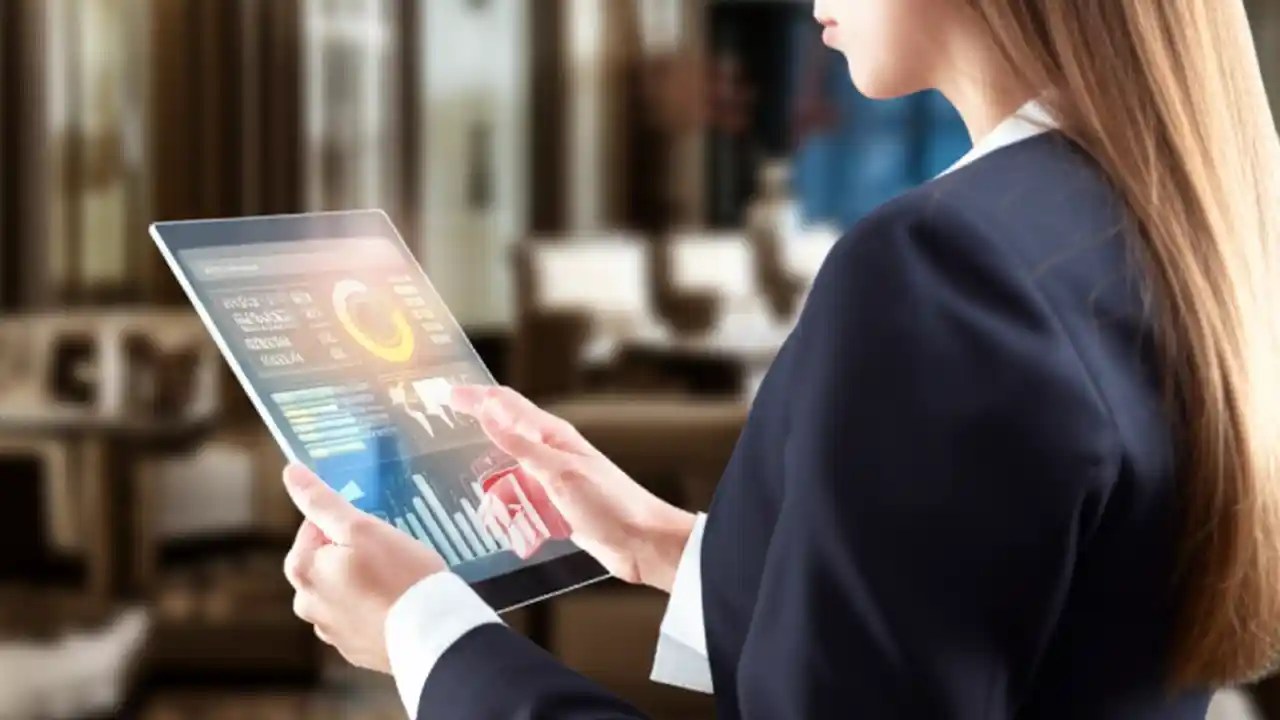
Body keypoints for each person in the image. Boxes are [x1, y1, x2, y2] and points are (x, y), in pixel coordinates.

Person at [279, 0, 1280, 717]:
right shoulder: (1160, 230)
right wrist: (660, 546)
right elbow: (1007, 616)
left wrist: (425, 634)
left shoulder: (941, 266)